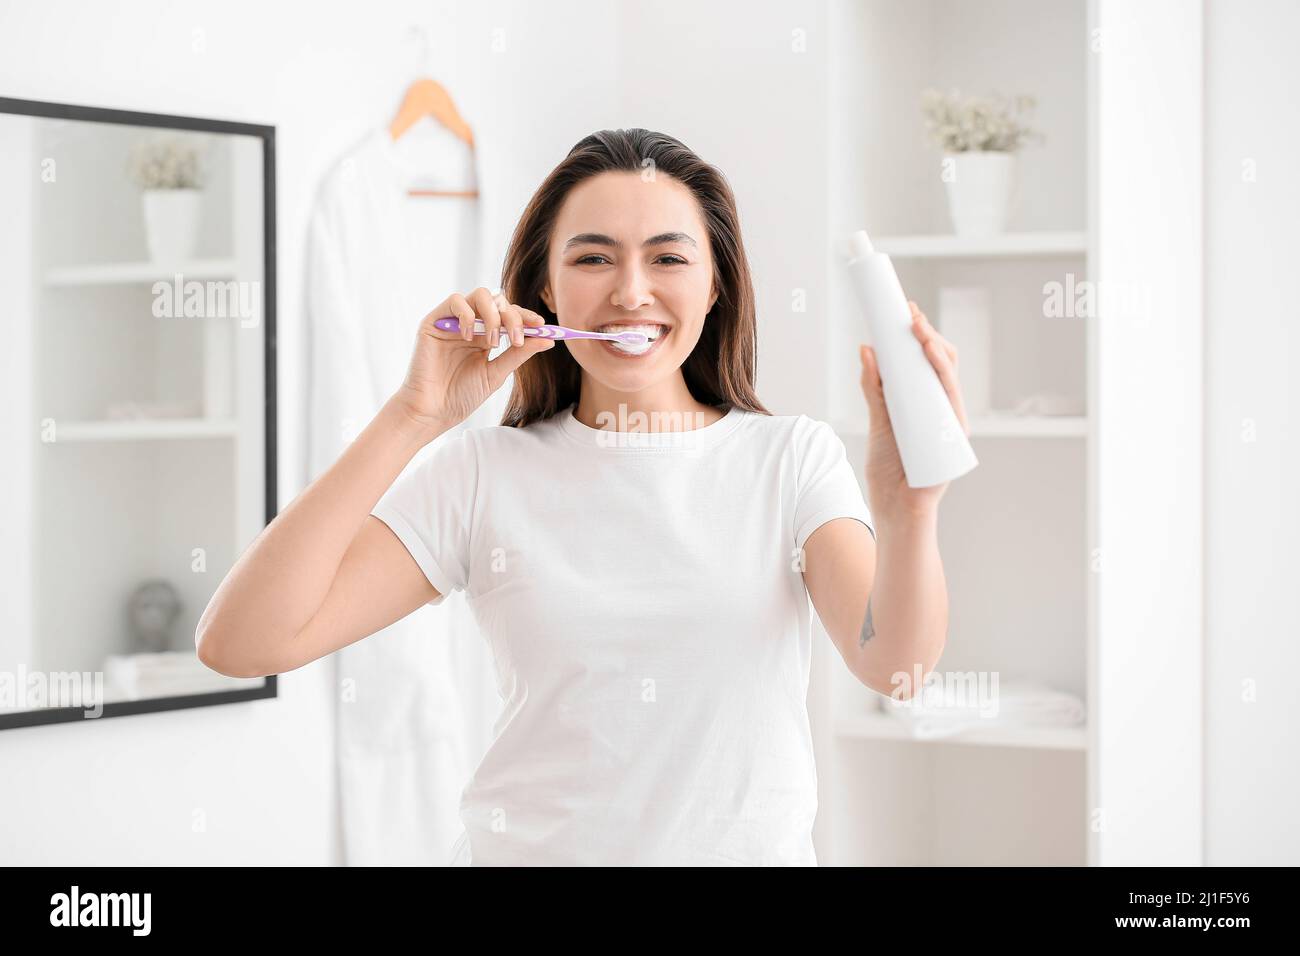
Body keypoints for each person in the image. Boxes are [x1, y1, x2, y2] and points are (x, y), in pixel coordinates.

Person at [196, 128, 968, 866]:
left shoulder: (789, 460)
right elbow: (242, 642)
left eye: (668, 257)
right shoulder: (482, 473)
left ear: (716, 283)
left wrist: (911, 511)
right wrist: (414, 416)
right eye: (594, 258)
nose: (632, 292)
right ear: (546, 288)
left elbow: (896, 667)